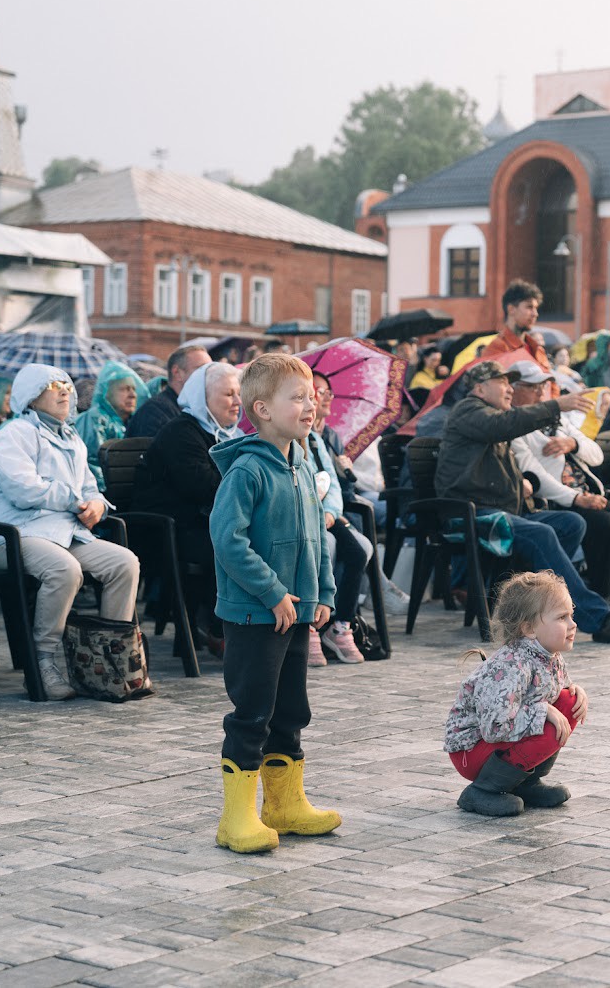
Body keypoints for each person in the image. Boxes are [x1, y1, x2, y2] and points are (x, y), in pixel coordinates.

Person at [207, 353, 340, 853]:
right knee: (252, 711)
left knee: (290, 710)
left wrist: (321, 593)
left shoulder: (303, 462)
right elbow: (228, 540)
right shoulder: (246, 471)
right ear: (261, 408)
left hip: (296, 612)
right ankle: (235, 818)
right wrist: (271, 592)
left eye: (312, 397)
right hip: (254, 614)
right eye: (298, 397)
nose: (311, 405)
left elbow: (315, 537)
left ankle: (284, 805)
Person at [437, 360, 610, 644]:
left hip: (500, 512)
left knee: (570, 523)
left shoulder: (491, 418)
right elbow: (502, 426)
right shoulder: (469, 410)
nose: (509, 388)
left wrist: (525, 484)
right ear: (479, 388)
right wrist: (556, 405)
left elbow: (503, 460)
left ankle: (537, 608)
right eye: (502, 382)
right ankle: (599, 619)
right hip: (472, 515)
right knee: (542, 533)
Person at [0, 364, 141, 700]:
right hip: (13, 534)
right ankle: (42, 661)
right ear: (31, 395)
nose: (66, 391)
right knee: (65, 570)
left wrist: (97, 504)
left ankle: (109, 660)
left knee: (124, 563)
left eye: (67, 384)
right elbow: (23, 491)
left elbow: (89, 486)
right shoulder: (13, 434)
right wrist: (75, 501)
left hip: (64, 534)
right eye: (55, 385)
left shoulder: (71, 437)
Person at [509, 362, 610, 620]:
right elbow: (535, 476)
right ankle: (601, 594)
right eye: (532, 387)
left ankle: (607, 589)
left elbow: (596, 454)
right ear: (514, 389)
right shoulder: (514, 425)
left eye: (542, 386)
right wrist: (576, 498)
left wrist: (573, 443)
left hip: (588, 492)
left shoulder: (557, 419)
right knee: (604, 523)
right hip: (558, 501)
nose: (540, 392)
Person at [444, 571, 588, 817]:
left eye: (571, 615)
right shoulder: (511, 666)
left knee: (569, 702)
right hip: (472, 751)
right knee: (549, 718)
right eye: (562, 617)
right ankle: (482, 790)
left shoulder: (550, 656)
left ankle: (526, 784)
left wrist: (576, 693)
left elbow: (555, 695)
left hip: (497, 744)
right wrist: (543, 711)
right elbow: (494, 729)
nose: (573, 624)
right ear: (529, 628)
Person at [137, 361, 244, 659]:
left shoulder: (227, 434)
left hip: (202, 522)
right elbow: (205, 486)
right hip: (167, 528)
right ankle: (220, 628)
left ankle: (242, 626)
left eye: (238, 394)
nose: (238, 402)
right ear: (204, 399)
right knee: (234, 546)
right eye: (228, 395)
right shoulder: (182, 432)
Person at [303, 371, 373, 665]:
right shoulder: (289, 441)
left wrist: (331, 512)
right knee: (326, 548)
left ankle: (339, 624)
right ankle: (308, 624)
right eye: (307, 396)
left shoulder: (319, 440)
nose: (316, 401)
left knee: (359, 549)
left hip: (328, 516)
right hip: (306, 518)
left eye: (314, 396)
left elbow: (330, 482)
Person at [75, 360, 149, 490]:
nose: (132, 395)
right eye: (124, 389)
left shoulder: (130, 421)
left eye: (134, 389)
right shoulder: (95, 419)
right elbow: (92, 464)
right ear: (107, 393)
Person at [126, 344, 213, 440]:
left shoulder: (198, 409)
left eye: (210, 369)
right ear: (177, 373)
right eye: (201, 369)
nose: (208, 375)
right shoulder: (156, 411)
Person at [486, 280, 553, 369]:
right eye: (529, 307)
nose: (535, 314)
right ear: (511, 309)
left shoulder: (537, 348)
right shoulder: (497, 349)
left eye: (536, 308)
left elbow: (550, 381)